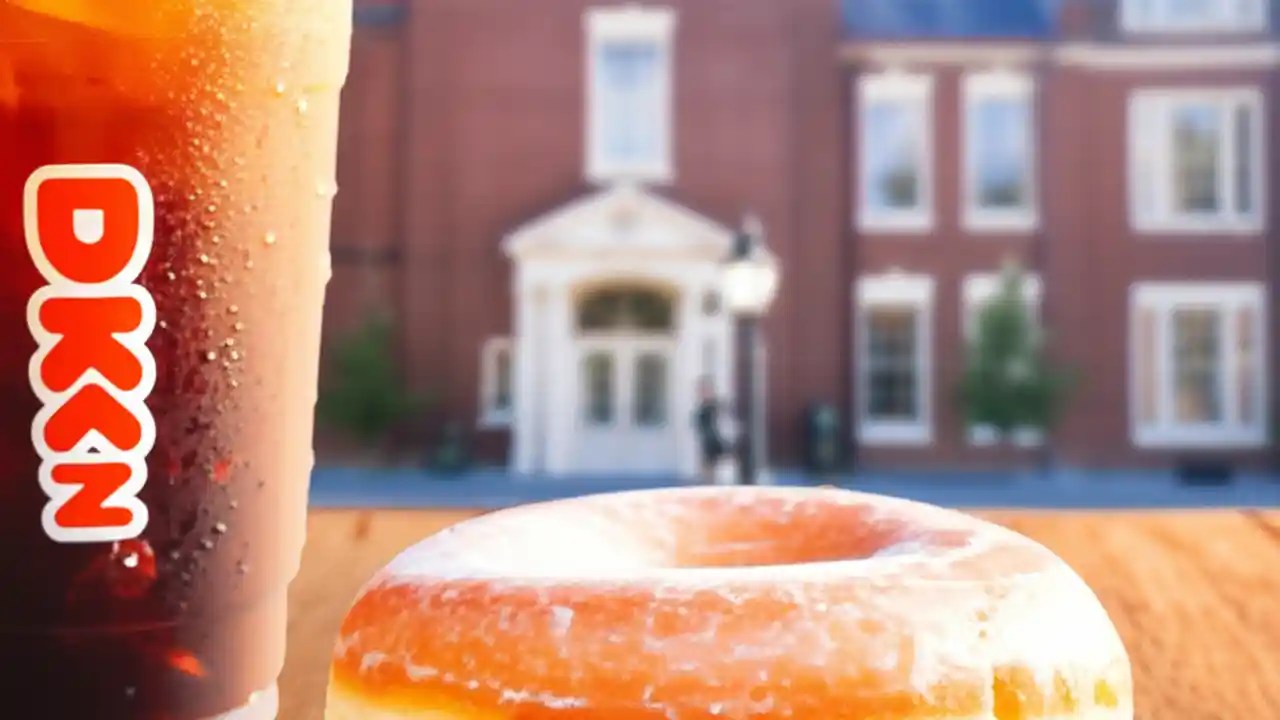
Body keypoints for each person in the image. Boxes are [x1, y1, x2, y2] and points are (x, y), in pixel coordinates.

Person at [693, 376, 729, 485]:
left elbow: (721, 423)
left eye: (705, 390)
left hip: (713, 442)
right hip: (706, 442)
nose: (702, 392)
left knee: (711, 471)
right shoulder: (703, 407)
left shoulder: (714, 406)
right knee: (707, 472)